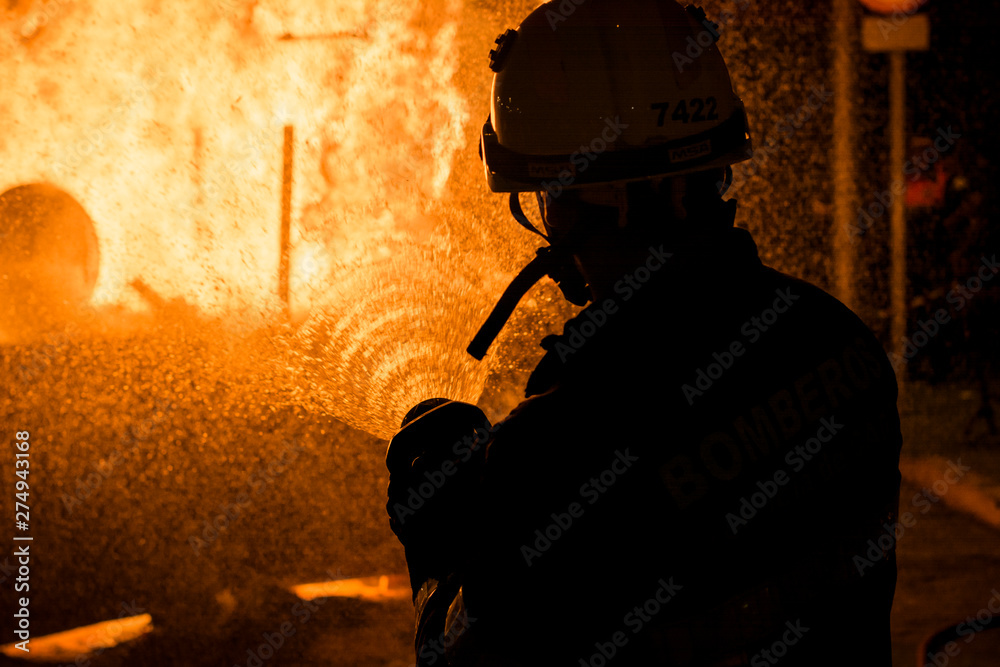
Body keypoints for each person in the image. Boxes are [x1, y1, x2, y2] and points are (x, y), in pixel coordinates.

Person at [386, 2, 902, 665]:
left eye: (545, 193)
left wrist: (441, 553)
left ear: (604, 200)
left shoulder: (559, 448)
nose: (546, 219)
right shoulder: (840, 343)